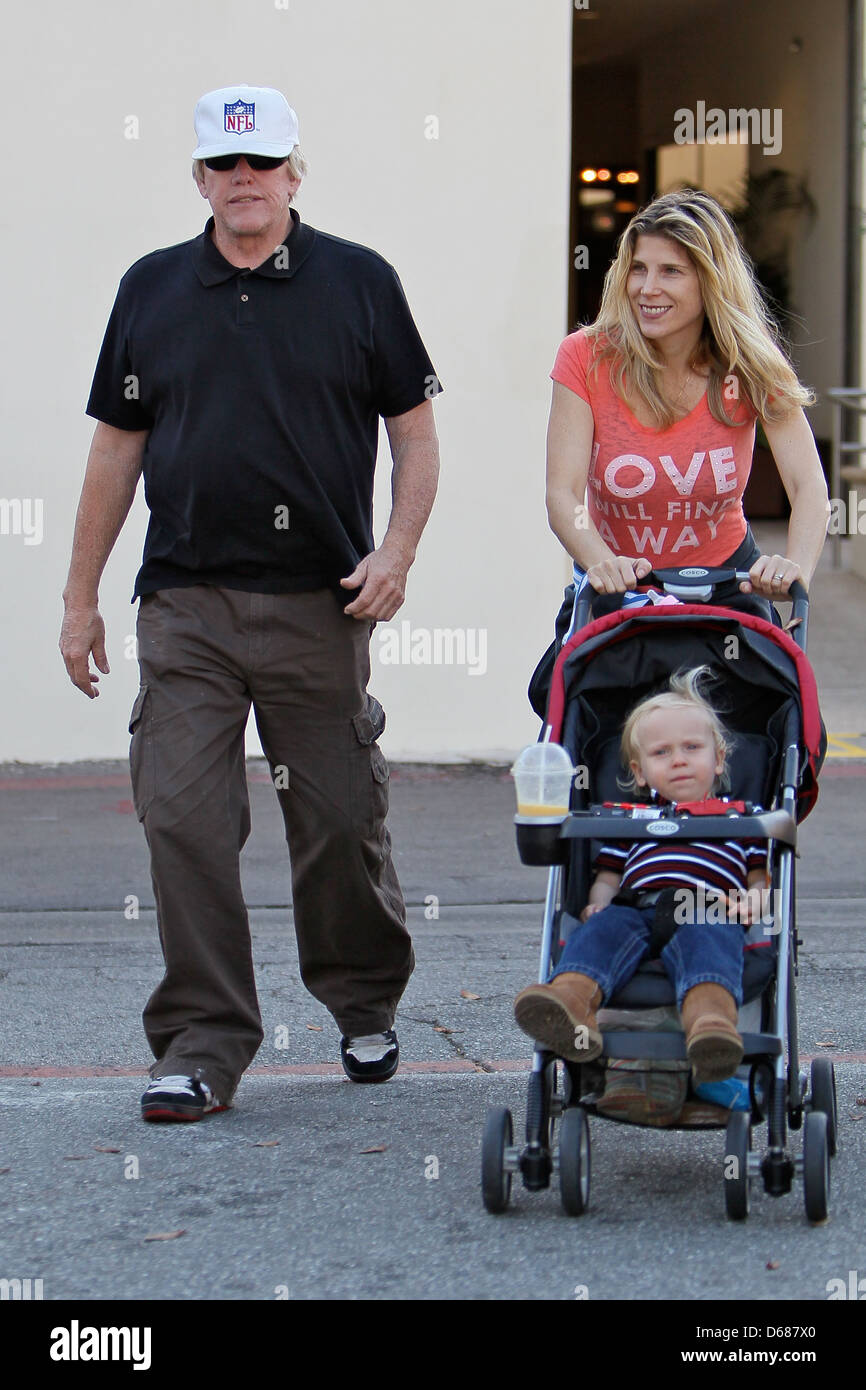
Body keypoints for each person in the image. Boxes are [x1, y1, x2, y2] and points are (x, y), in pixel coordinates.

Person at [59, 85, 442, 1121]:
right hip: (186, 605)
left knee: (335, 819)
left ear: (292, 173)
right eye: (224, 165)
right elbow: (115, 447)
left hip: (323, 604)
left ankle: (362, 1001)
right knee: (182, 813)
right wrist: (79, 597)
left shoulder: (359, 282)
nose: (243, 181)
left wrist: (396, 551)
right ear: (198, 177)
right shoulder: (150, 290)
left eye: (261, 163)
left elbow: (412, 430)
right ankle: (200, 1040)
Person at [545, 188, 830, 629]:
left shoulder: (748, 365)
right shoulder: (585, 357)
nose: (647, 288)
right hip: (619, 591)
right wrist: (602, 564)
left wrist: (795, 569)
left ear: (710, 281)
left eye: (671, 271)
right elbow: (563, 494)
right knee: (572, 692)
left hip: (726, 588)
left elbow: (807, 483)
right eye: (638, 269)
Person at [513, 668, 768, 1087]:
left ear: (718, 757)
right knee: (599, 932)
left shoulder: (741, 817)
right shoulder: (631, 820)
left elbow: (760, 878)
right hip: (636, 907)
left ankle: (711, 1027)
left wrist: (752, 903)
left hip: (706, 907)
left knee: (710, 941)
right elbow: (609, 876)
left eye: (692, 747)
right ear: (640, 771)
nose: (680, 759)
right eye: (662, 753)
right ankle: (571, 1005)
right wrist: (599, 901)